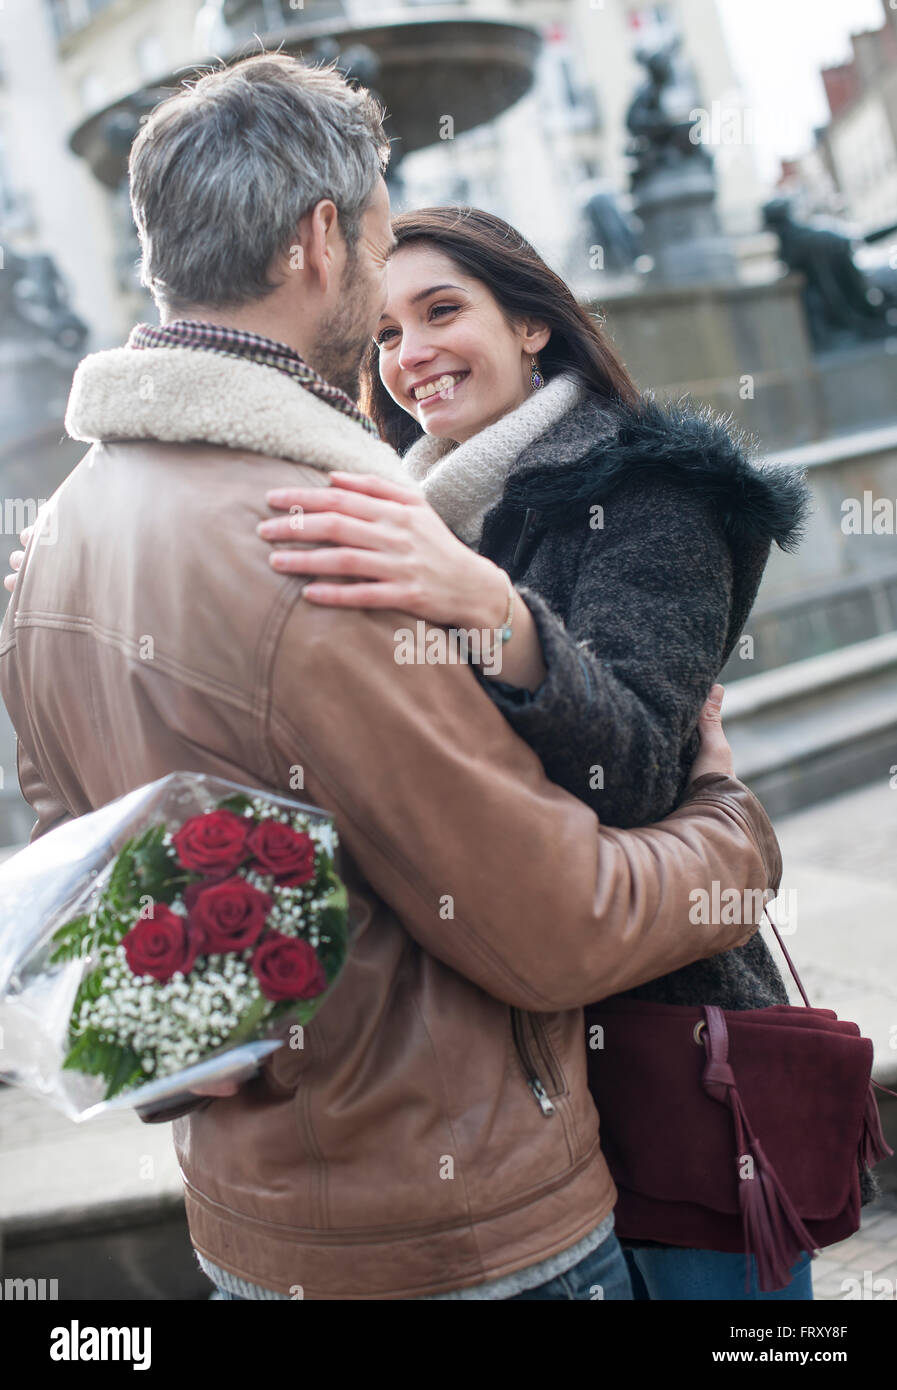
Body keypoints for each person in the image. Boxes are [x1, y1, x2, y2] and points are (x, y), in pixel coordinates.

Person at [0, 53, 781, 1302]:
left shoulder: (56, 540)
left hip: (256, 1221)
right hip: (460, 1231)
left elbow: (78, 863)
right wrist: (733, 832)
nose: (392, 325)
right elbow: (554, 921)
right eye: (375, 233)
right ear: (322, 237)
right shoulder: (319, 544)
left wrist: (191, 1036)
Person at [253, 206, 817, 1300]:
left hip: (659, 1047)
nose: (410, 354)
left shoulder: (653, 489)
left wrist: (491, 611)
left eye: (442, 311)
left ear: (531, 325)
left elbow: (647, 767)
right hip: (493, 1089)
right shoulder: (415, 513)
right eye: (385, 332)